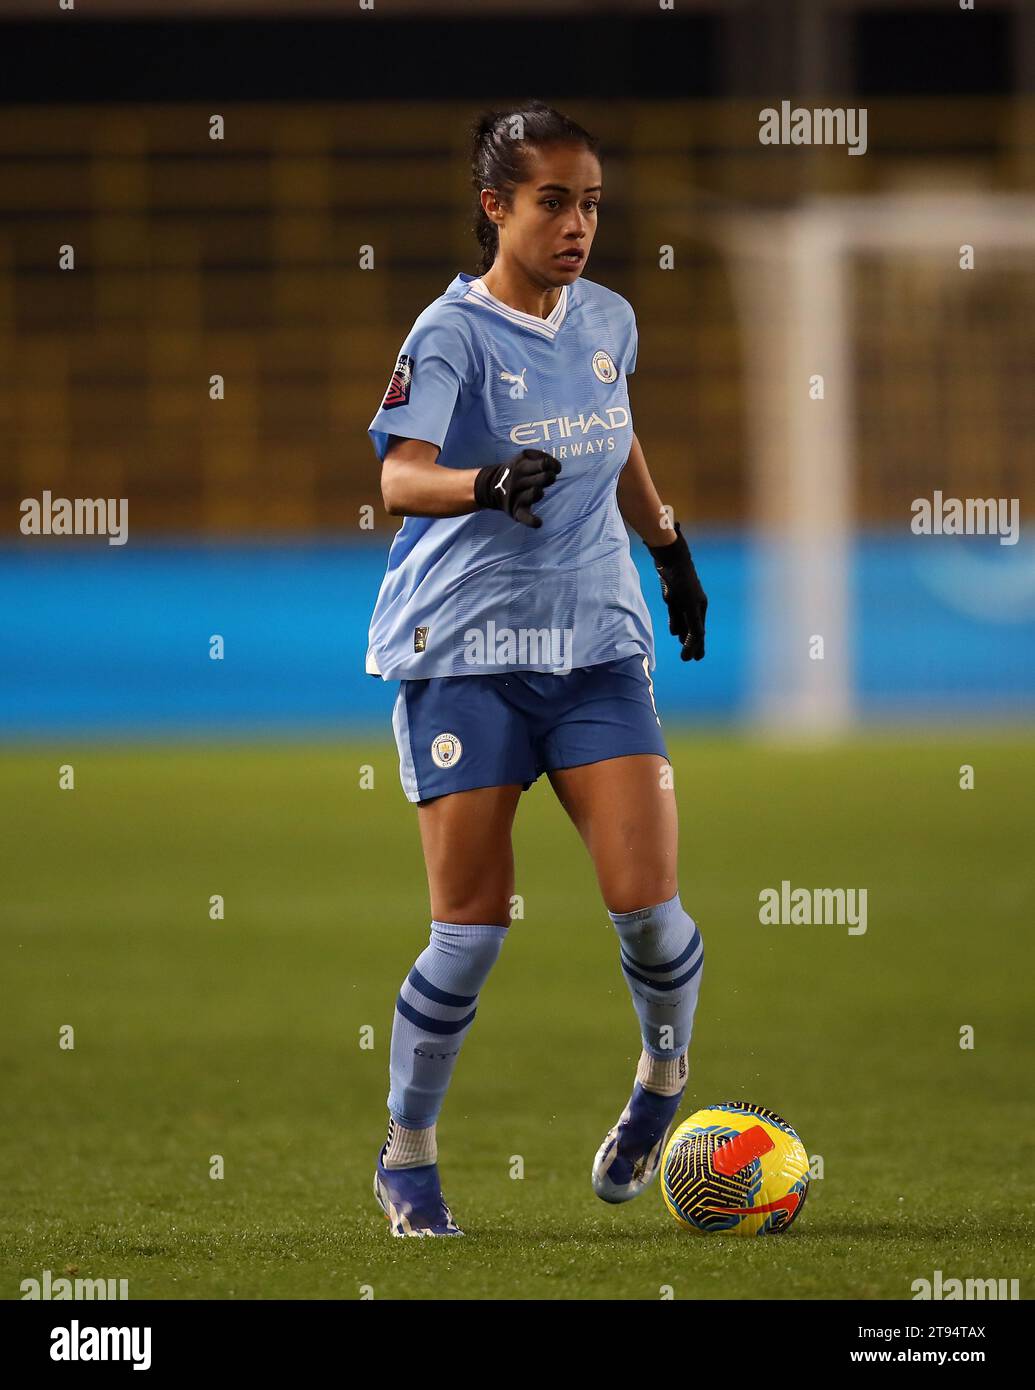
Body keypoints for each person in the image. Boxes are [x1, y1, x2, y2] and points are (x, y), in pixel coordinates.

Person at [365, 100, 708, 1237]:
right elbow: (399, 480)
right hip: (466, 653)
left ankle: (662, 1083)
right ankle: (407, 1152)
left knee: (650, 912)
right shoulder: (450, 334)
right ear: (495, 207)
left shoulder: (609, 315)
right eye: (553, 200)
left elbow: (615, 425)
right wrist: (484, 482)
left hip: (596, 646)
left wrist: (668, 549)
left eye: (592, 203)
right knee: (469, 931)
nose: (577, 223)